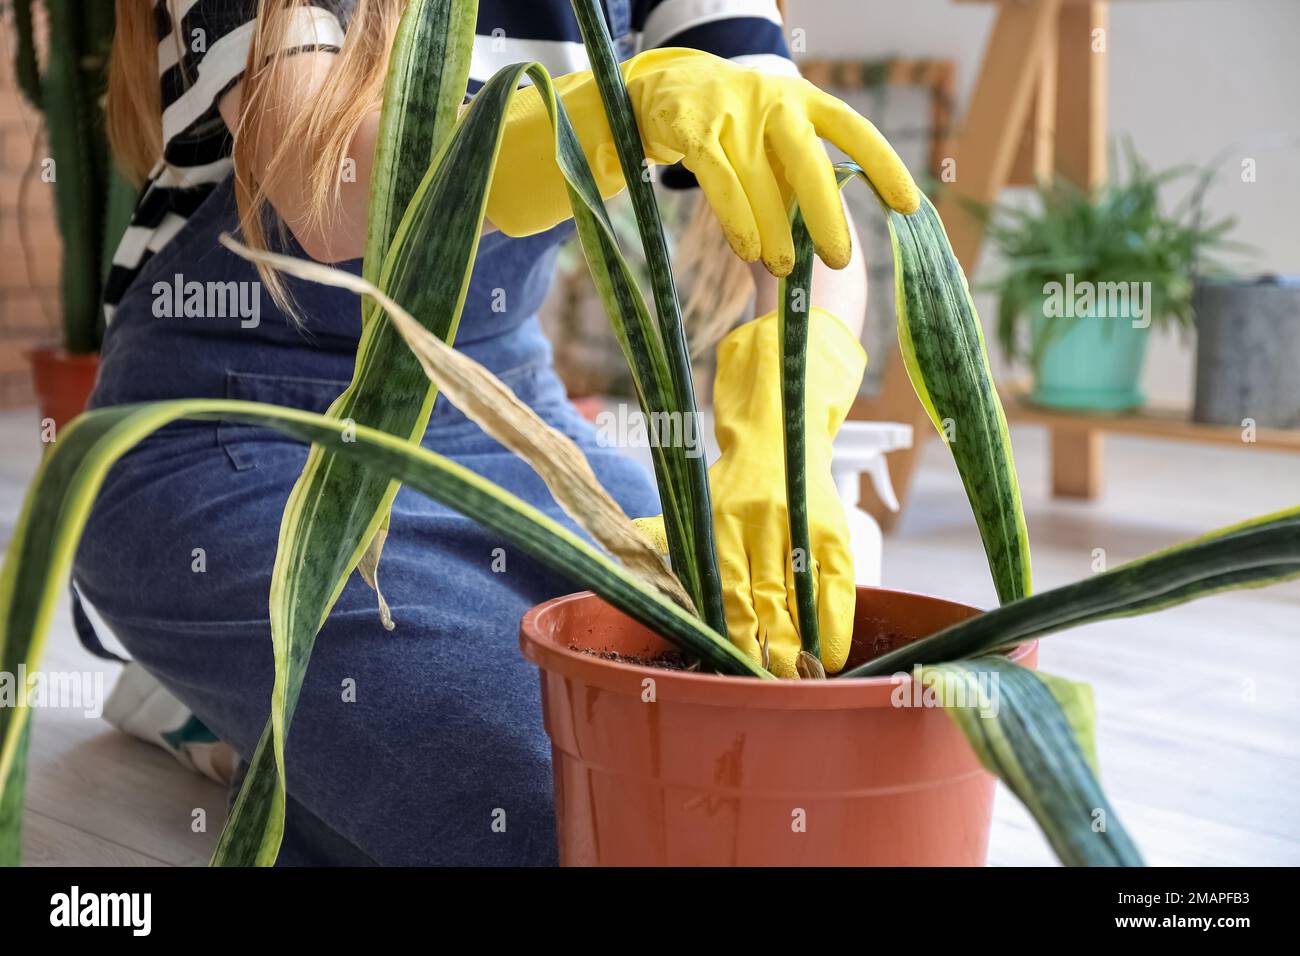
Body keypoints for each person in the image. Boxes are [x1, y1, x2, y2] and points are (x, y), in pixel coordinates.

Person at [73, 0, 917, 865]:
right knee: (586, 816)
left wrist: (787, 430)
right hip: (238, 430)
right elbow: (328, 191)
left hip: (507, 415)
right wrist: (611, 114)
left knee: (754, 741)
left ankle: (246, 723)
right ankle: (259, 700)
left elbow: (803, 190)